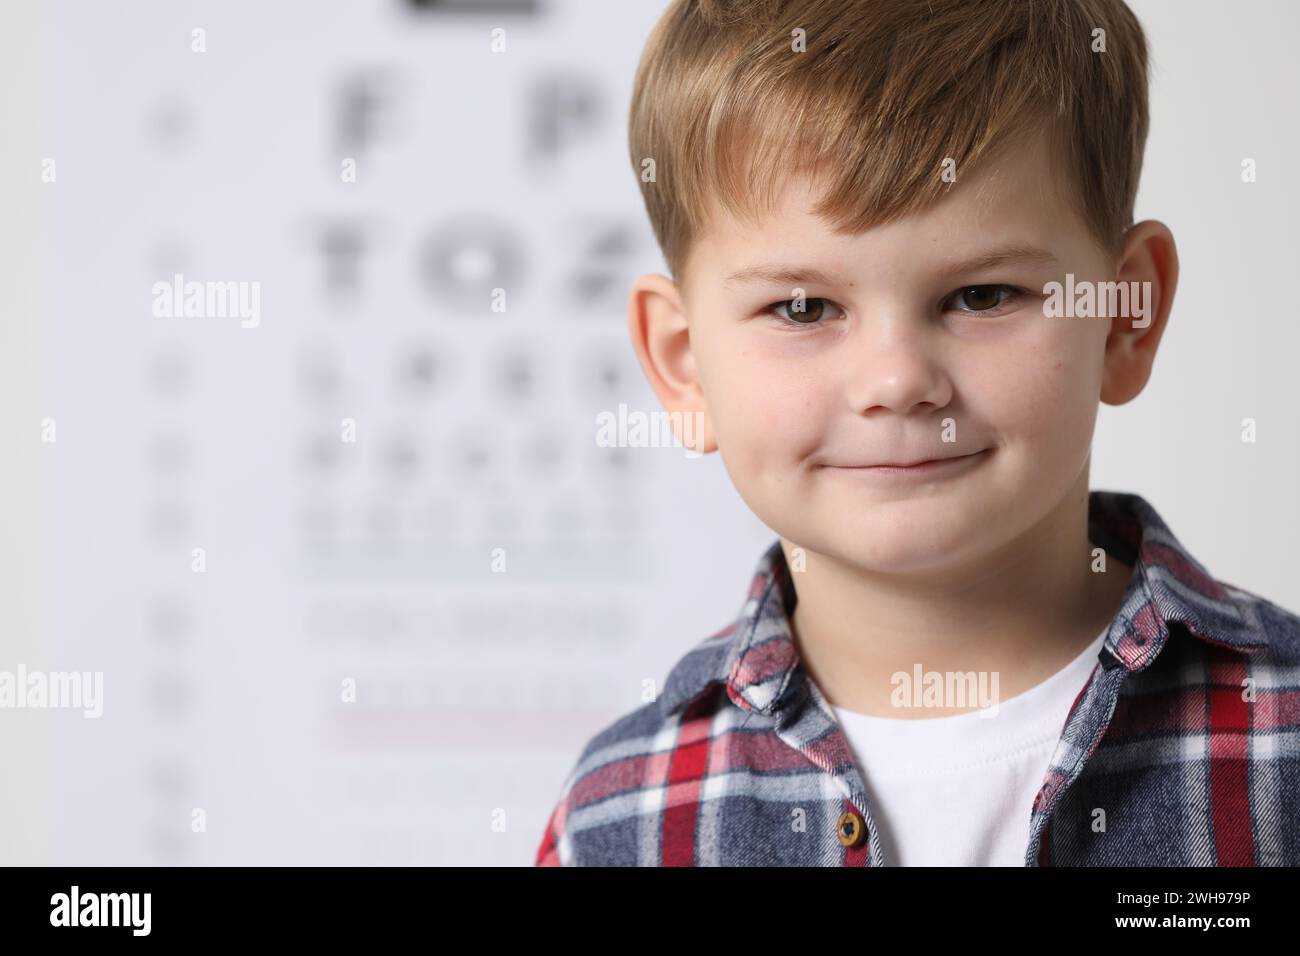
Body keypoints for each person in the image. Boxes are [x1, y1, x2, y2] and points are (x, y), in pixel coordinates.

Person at [535, 0, 1300, 866]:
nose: (897, 380)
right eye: (803, 307)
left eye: (982, 296)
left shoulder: (1286, 743)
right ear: (683, 364)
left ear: (1125, 315)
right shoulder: (617, 817)